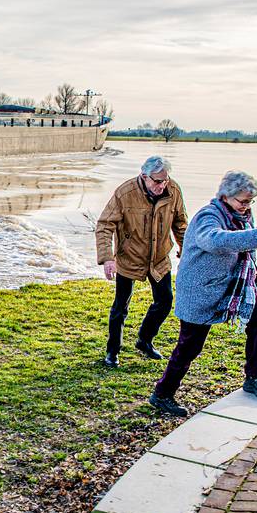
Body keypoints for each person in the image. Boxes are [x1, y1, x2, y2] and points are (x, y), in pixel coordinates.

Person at [149, 170, 257, 417]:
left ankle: (255, 377)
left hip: (235, 287)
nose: (246, 206)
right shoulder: (208, 217)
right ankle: (163, 393)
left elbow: (250, 242)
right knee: (189, 346)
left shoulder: (243, 216)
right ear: (225, 196)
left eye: (250, 201)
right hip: (202, 290)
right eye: (242, 201)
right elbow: (217, 242)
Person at [94, 155, 189, 368]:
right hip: (130, 257)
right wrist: (108, 258)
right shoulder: (125, 193)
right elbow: (104, 225)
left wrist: (186, 248)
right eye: (157, 181)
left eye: (165, 179)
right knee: (120, 307)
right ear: (144, 176)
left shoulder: (173, 190)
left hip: (159, 258)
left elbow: (181, 223)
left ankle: (144, 339)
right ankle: (112, 351)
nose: (162, 184)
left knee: (165, 301)